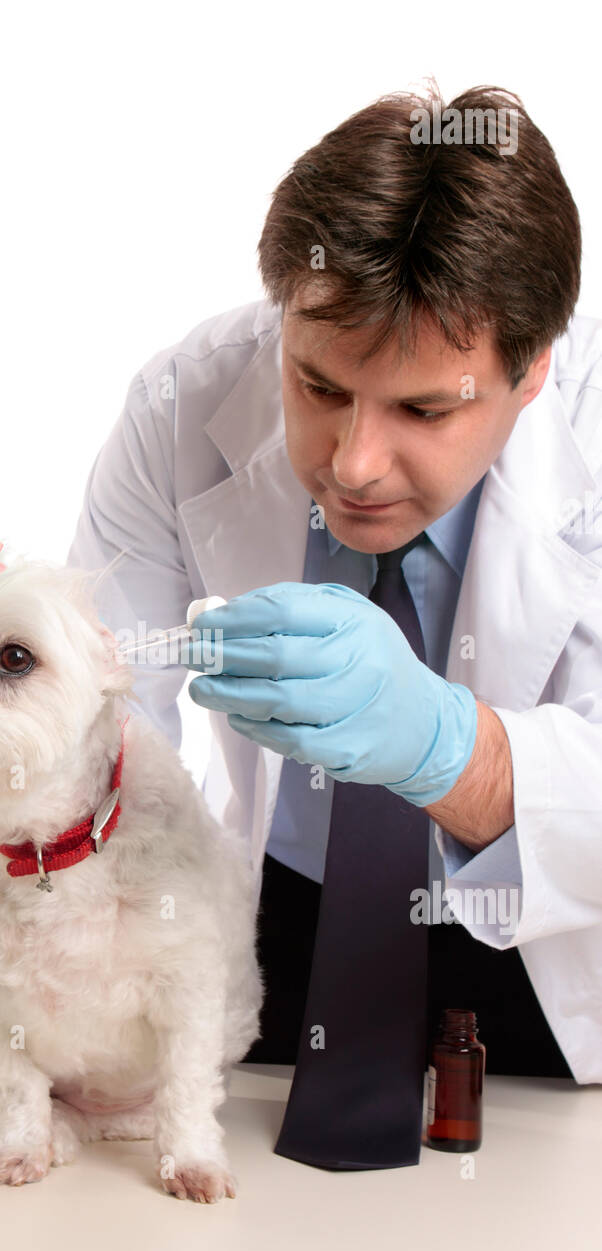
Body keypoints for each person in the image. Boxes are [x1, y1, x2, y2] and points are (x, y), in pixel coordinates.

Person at [65, 82, 602, 1165]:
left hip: (551, 938)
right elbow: (107, 727)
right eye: (318, 385)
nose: (351, 465)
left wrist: (450, 748)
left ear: (531, 366)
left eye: (423, 409)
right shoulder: (182, 402)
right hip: (290, 924)